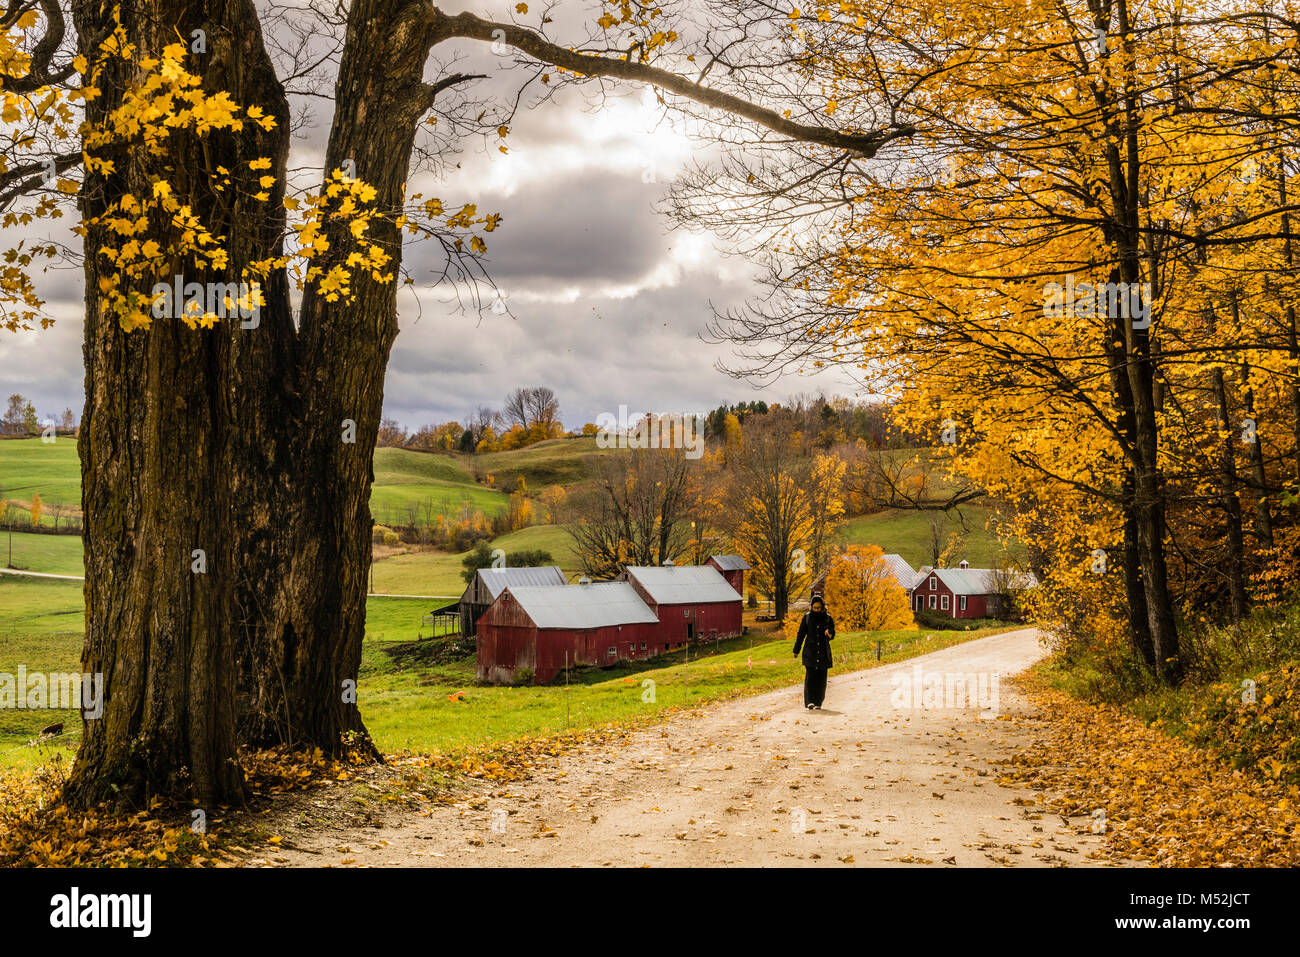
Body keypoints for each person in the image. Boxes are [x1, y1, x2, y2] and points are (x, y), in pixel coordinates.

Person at [793, 595, 836, 710]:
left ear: (822, 607)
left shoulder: (827, 618)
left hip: (823, 651)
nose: (817, 610)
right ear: (811, 607)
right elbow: (801, 634)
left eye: (819, 608)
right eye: (815, 608)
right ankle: (810, 701)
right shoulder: (807, 618)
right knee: (810, 677)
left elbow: (832, 633)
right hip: (810, 652)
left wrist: (829, 634)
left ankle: (818, 702)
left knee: (821, 678)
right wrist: (796, 650)